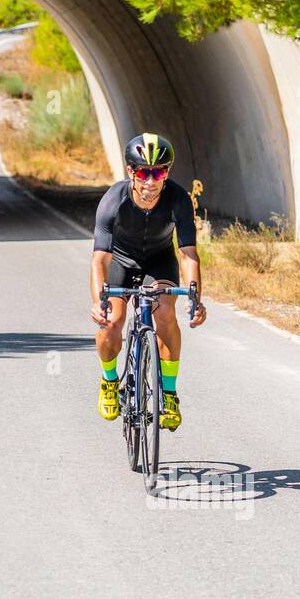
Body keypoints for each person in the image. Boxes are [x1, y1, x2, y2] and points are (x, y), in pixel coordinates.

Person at [89, 133, 207, 429]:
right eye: (144, 173)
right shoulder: (113, 200)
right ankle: (109, 381)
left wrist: (196, 299)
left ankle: (169, 394)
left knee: (165, 313)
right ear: (131, 171)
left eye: (159, 173)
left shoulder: (178, 199)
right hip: (121, 260)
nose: (151, 181)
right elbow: (99, 259)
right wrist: (98, 302)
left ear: (167, 173)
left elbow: (188, 254)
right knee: (112, 321)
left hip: (159, 260)